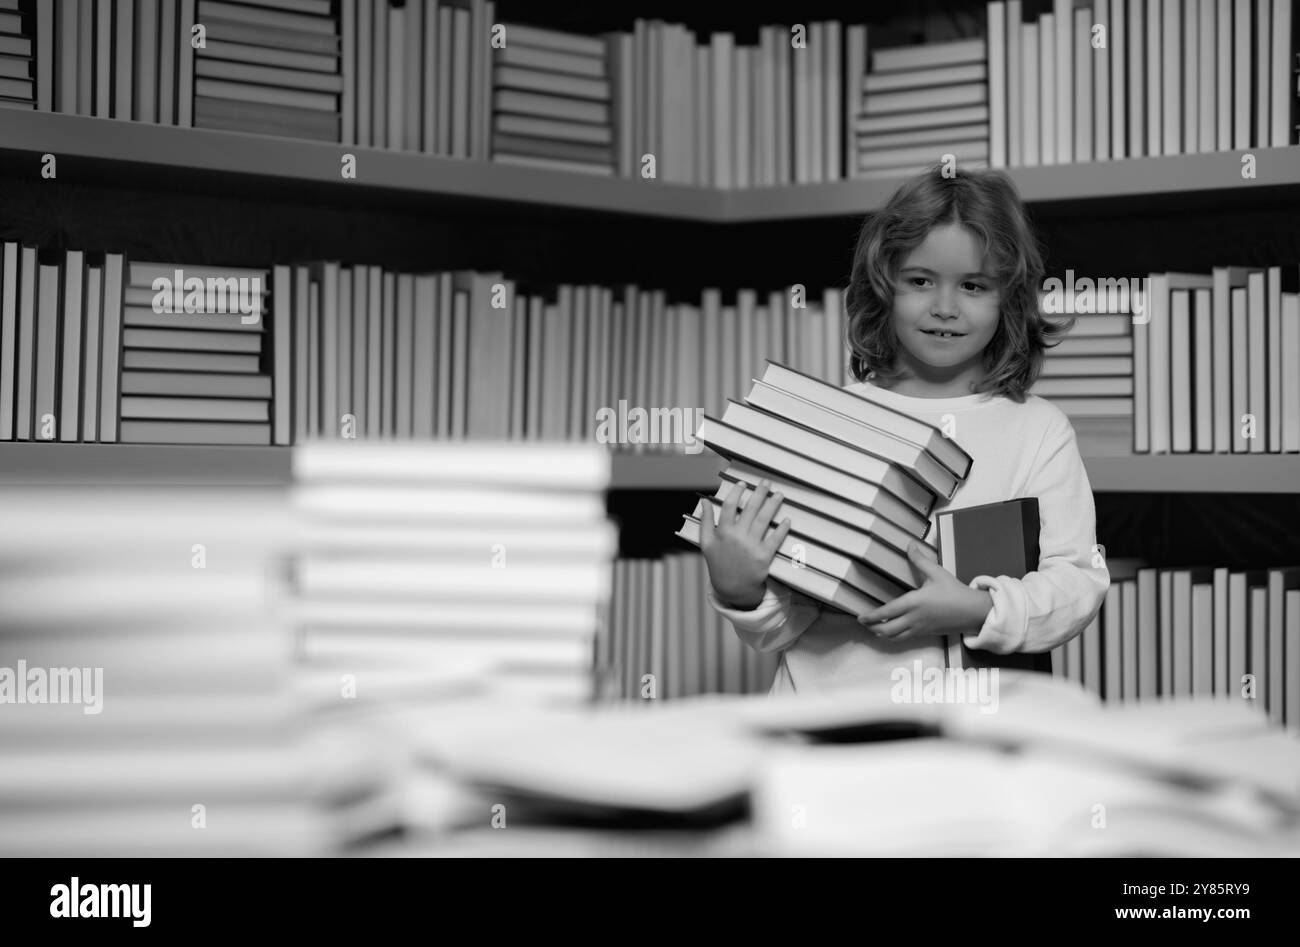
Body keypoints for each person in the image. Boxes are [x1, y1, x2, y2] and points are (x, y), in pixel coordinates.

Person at [699, 165, 1110, 696]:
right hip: (828, 732)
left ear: (1008, 296)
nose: (944, 307)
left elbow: (1078, 584)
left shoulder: (1039, 430)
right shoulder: (826, 426)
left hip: (973, 739)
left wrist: (980, 609)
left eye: (973, 285)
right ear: (883, 285)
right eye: (920, 281)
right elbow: (785, 621)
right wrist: (740, 590)